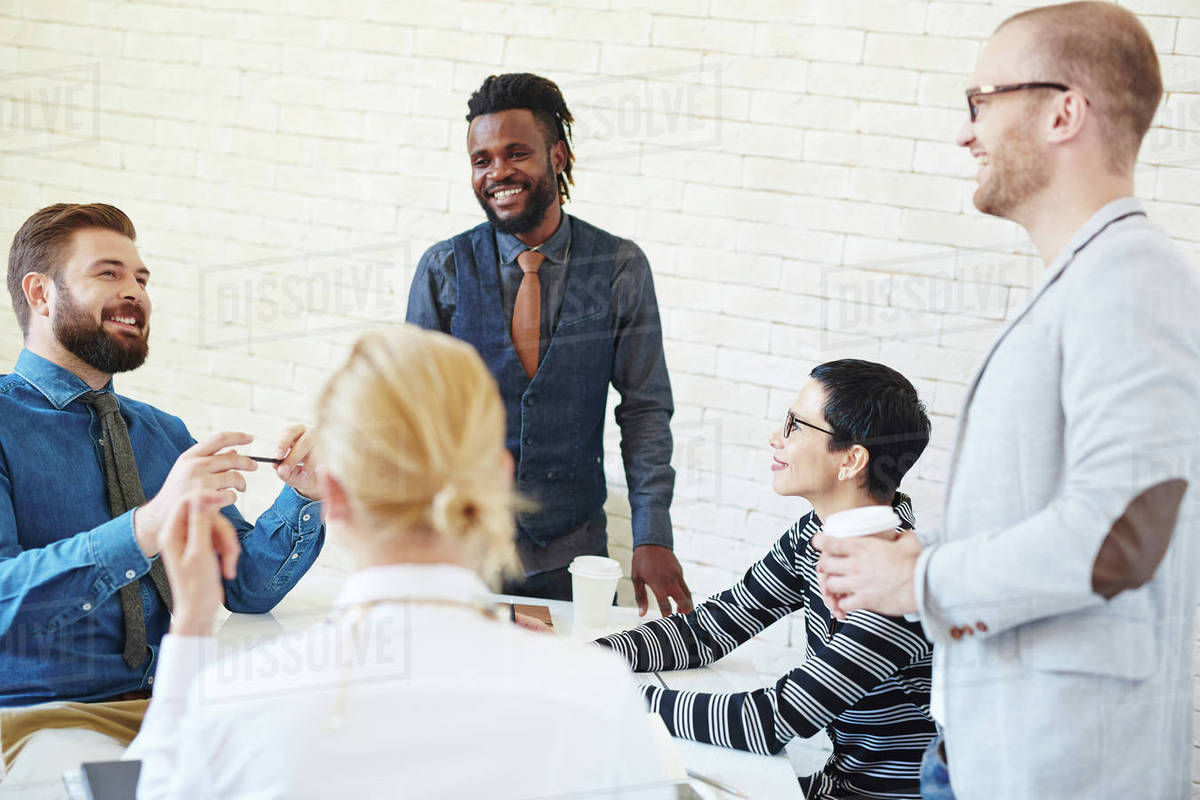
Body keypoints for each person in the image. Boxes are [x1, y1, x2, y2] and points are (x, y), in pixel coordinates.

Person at [812, 5, 1200, 799]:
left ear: (1063, 112)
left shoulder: (1134, 281)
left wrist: (919, 582)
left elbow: (1123, 535)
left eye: (980, 102)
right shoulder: (1089, 280)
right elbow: (1059, 515)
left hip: (1061, 771)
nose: (966, 134)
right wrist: (921, 555)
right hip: (986, 754)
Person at [126, 325, 675, 799]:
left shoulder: (235, 701)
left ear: (334, 497)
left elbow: (156, 785)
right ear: (498, 480)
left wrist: (191, 629)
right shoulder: (598, 695)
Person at [0, 203, 325, 781]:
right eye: (108, 273)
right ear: (41, 293)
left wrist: (305, 496)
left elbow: (245, 586)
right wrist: (148, 526)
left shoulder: (163, 433)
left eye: (141, 278)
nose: (135, 292)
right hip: (41, 719)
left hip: (176, 704)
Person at [406, 72, 692, 616]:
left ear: (557, 156)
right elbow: (412, 415)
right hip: (463, 550)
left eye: (516, 153)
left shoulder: (619, 266)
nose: (498, 172)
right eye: (482, 160)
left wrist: (653, 533)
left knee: (577, 665)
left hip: (573, 553)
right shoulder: (444, 269)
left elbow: (646, 410)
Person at [596, 360, 937, 800]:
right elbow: (709, 630)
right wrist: (585, 658)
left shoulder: (896, 584)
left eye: (796, 425)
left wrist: (608, 690)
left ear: (851, 460)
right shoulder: (812, 537)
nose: (776, 436)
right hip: (835, 785)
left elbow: (767, 722)